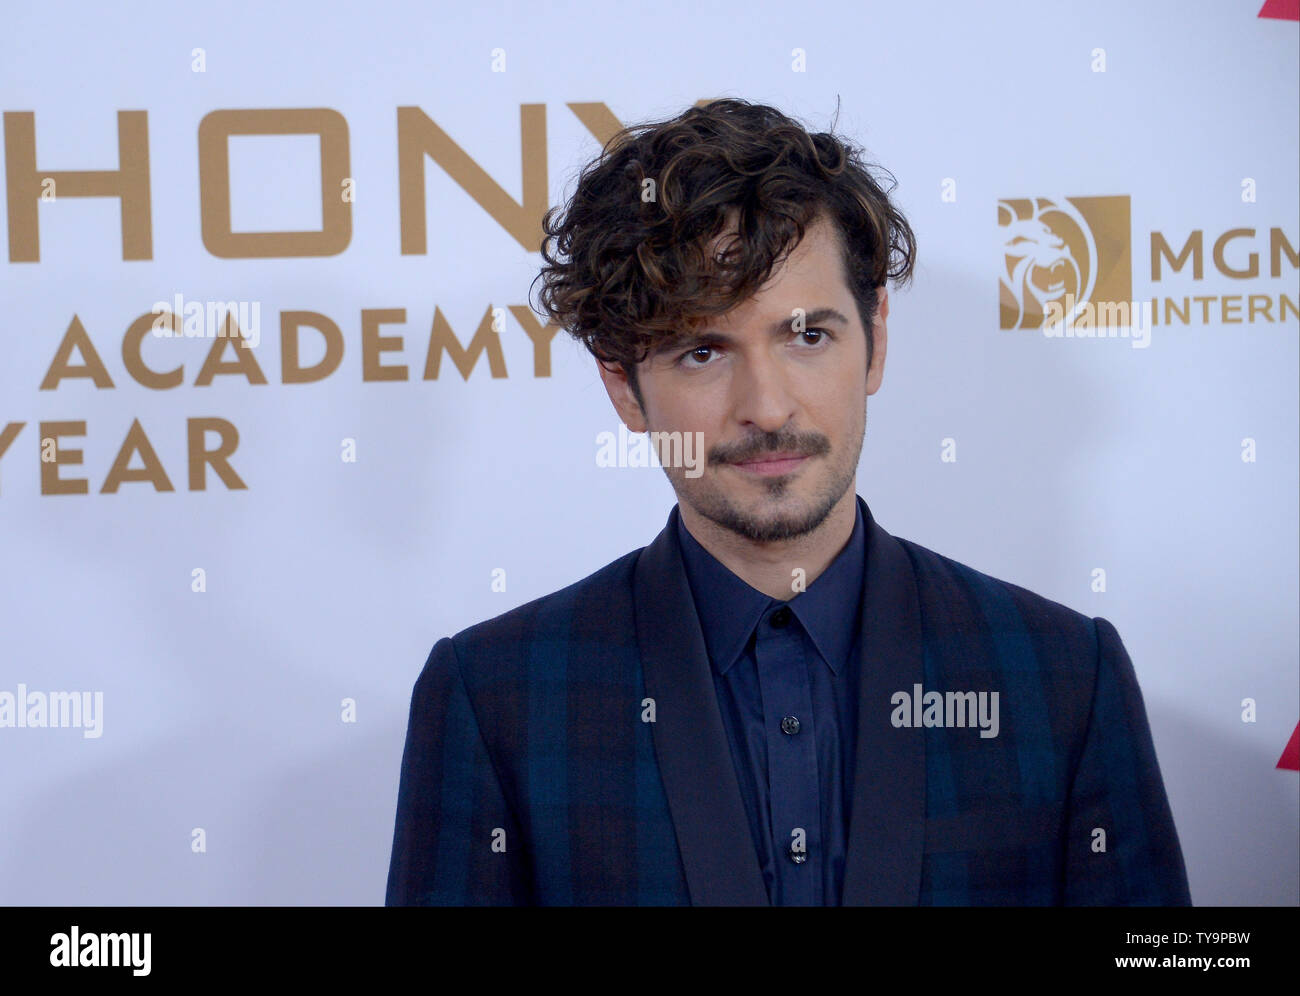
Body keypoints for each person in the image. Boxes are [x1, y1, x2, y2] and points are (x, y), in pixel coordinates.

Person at [384, 97, 1192, 906]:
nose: (767, 408)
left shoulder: (1061, 678)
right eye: (702, 350)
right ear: (624, 388)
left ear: (875, 336)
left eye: (808, 336)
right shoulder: (498, 699)